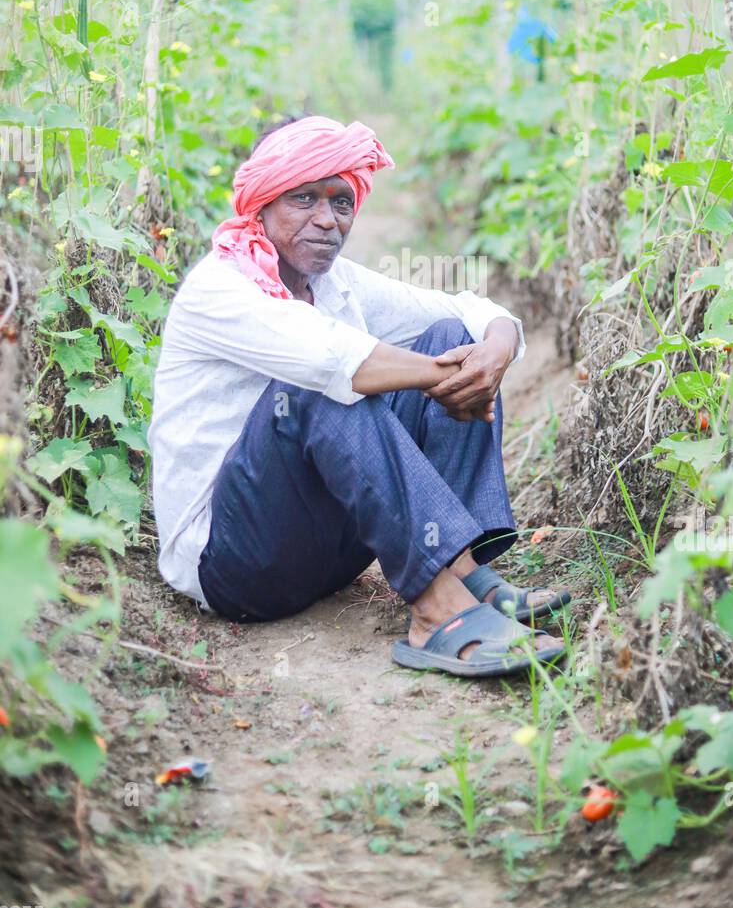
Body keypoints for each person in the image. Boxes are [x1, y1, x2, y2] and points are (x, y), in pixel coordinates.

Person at [149, 114, 570, 678]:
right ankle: (436, 613)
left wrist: (491, 349)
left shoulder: (336, 281)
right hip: (236, 564)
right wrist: (444, 376)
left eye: (340, 202)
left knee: (451, 339)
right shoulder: (219, 287)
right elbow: (330, 359)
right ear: (262, 205)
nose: (326, 220)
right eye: (303, 199)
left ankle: (464, 573)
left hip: (326, 555)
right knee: (317, 387)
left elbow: (467, 311)